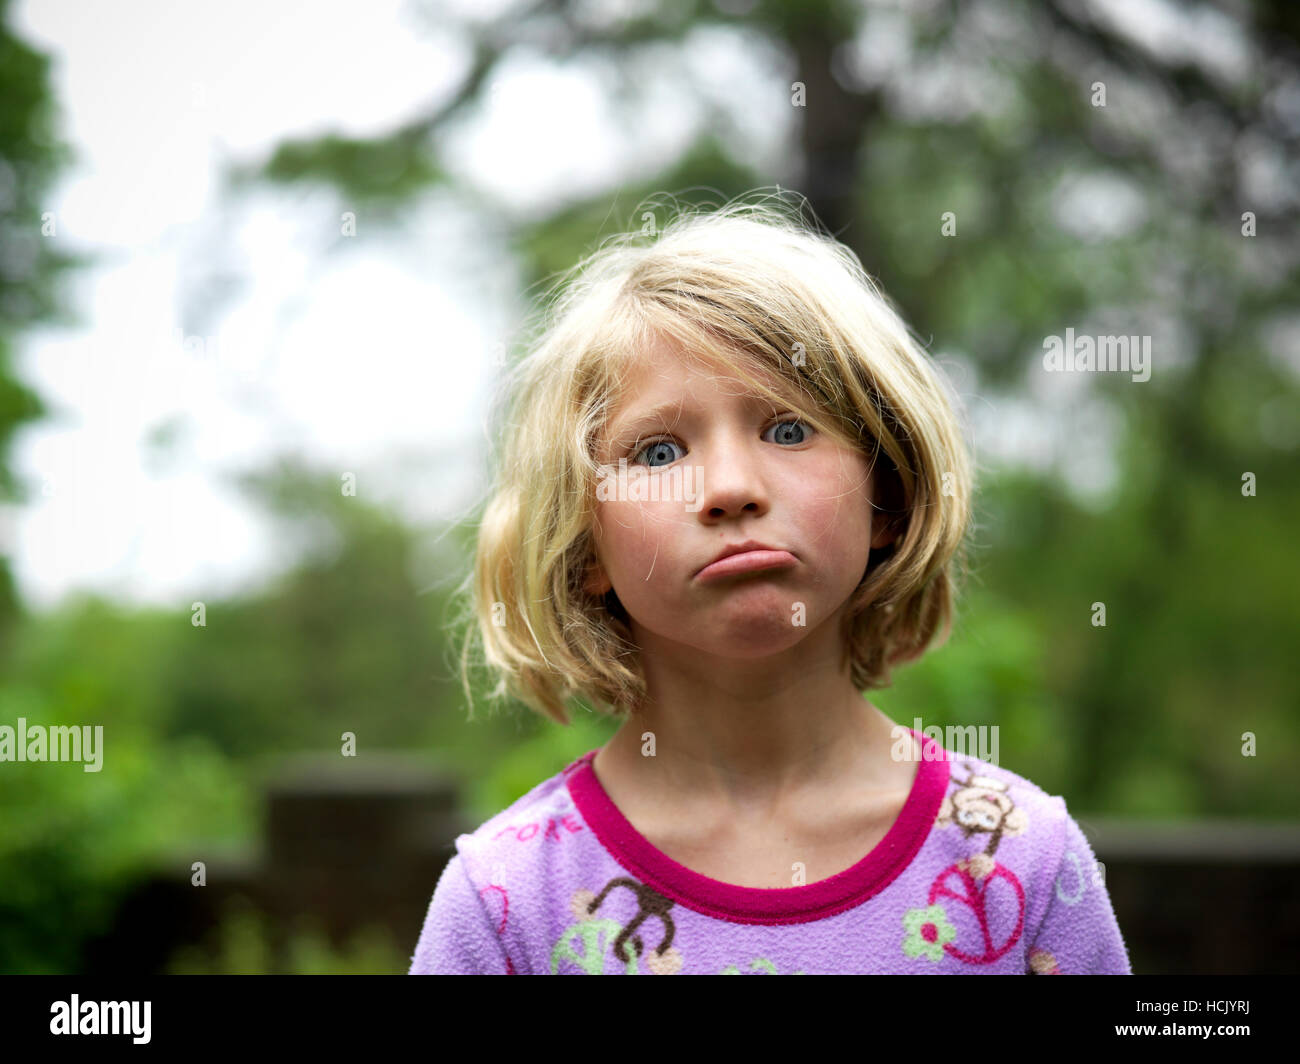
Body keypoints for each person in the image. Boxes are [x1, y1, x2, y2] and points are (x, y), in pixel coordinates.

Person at [409, 194, 1131, 975]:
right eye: (657, 452)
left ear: (886, 496)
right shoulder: (507, 901)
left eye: (788, 429)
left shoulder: (1018, 860)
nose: (730, 487)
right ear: (584, 548)